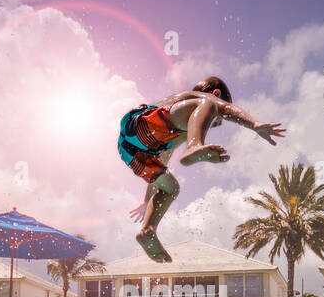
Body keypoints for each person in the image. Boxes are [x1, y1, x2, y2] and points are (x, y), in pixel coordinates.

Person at [117, 76, 285, 262]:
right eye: (216, 121)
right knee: (210, 106)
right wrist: (254, 124)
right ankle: (194, 146)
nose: (211, 122)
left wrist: (147, 200)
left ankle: (147, 230)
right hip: (141, 124)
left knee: (171, 188)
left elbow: (163, 159)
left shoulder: (175, 129)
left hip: (131, 150)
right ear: (216, 93)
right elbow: (224, 107)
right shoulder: (200, 98)